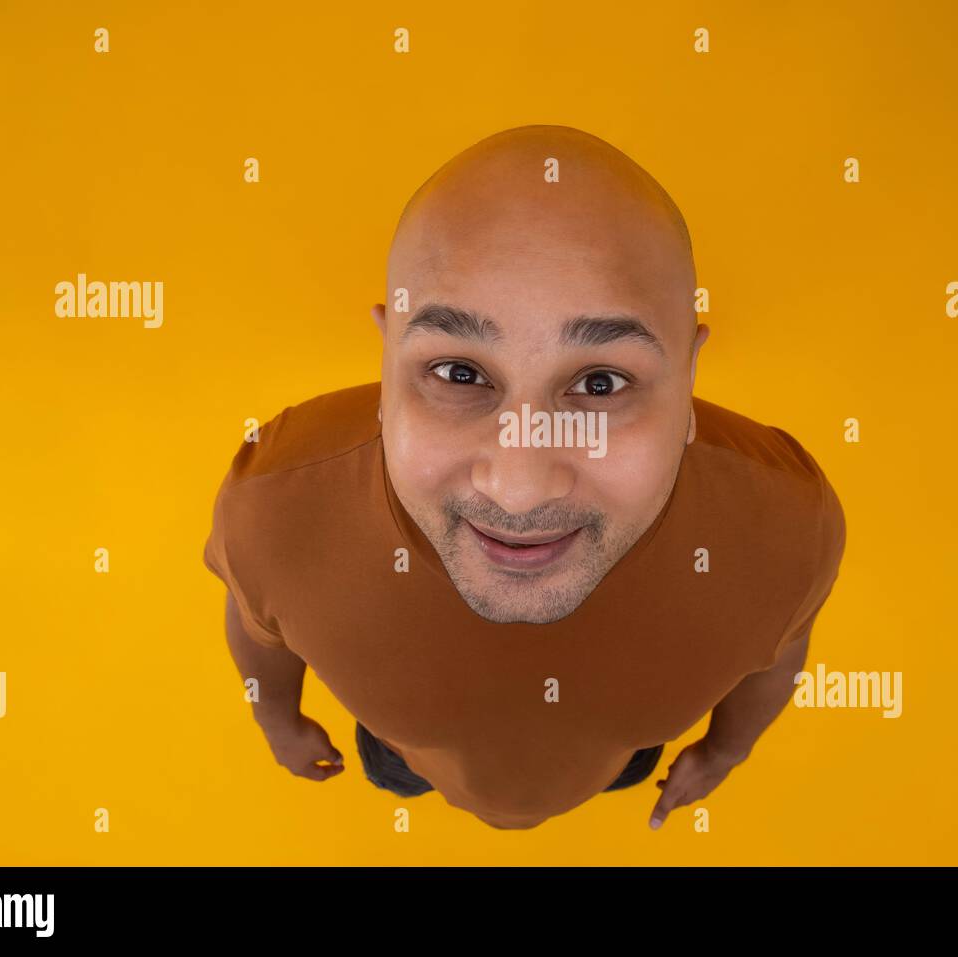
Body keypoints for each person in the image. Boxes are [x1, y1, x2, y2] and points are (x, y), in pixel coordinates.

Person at [204, 124, 846, 830]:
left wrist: (726, 750)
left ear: (689, 379)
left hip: (620, 761)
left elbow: (782, 644)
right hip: (401, 756)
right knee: (400, 769)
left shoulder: (788, 520)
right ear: (387, 362)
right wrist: (278, 722)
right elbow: (257, 617)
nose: (518, 486)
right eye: (459, 372)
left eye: (600, 383)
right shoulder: (273, 499)